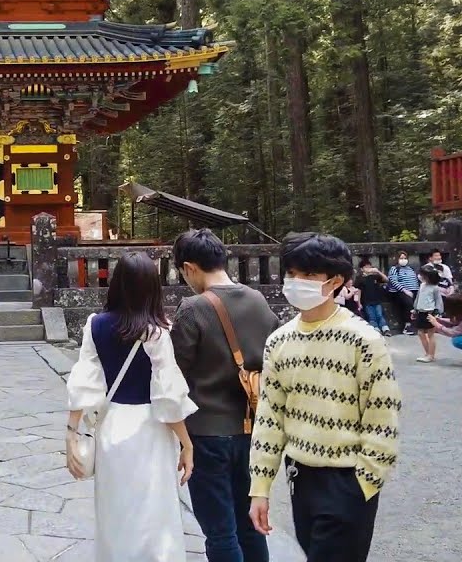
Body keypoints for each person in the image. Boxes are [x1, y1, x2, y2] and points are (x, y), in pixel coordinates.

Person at [249, 232, 401, 562]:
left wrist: (365, 482)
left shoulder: (364, 340)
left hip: (347, 479)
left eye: (308, 275)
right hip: (300, 478)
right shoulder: (278, 342)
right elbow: (270, 418)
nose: (296, 282)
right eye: (291, 274)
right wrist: (260, 487)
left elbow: (383, 417)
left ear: (335, 281)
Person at [67, 252, 198, 562]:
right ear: (151, 286)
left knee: (114, 511)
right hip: (150, 430)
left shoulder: (95, 325)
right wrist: (187, 443)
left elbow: (84, 380)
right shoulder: (157, 332)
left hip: (112, 427)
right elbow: (167, 396)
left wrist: (71, 433)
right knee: (155, 512)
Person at [170, 229, 279, 562]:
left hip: (206, 432)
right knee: (249, 524)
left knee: (220, 532)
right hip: (252, 430)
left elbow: (174, 375)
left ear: (189, 268)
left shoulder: (193, 309)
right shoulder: (259, 301)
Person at [412, 265, 444, 363]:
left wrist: (437, 312)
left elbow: (439, 301)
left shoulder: (435, 288)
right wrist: (415, 309)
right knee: (421, 333)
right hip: (421, 311)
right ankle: (428, 353)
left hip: (430, 312)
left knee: (431, 334)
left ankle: (431, 355)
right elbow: (418, 298)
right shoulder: (422, 285)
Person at [386, 251, 419, 336]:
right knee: (408, 303)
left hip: (414, 291)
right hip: (400, 292)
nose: (403, 260)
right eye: (401, 258)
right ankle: (407, 325)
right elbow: (393, 281)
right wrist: (405, 290)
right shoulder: (394, 269)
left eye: (405, 258)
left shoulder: (410, 269)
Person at [355, 259, 391, 336]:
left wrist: (378, 272)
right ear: (362, 269)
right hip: (367, 301)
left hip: (377, 300)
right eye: (366, 267)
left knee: (380, 315)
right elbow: (358, 291)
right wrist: (359, 303)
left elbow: (386, 279)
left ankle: (385, 329)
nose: (369, 268)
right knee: (372, 317)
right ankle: (375, 330)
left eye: (369, 267)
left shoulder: (375, 276)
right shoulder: (360, 278)